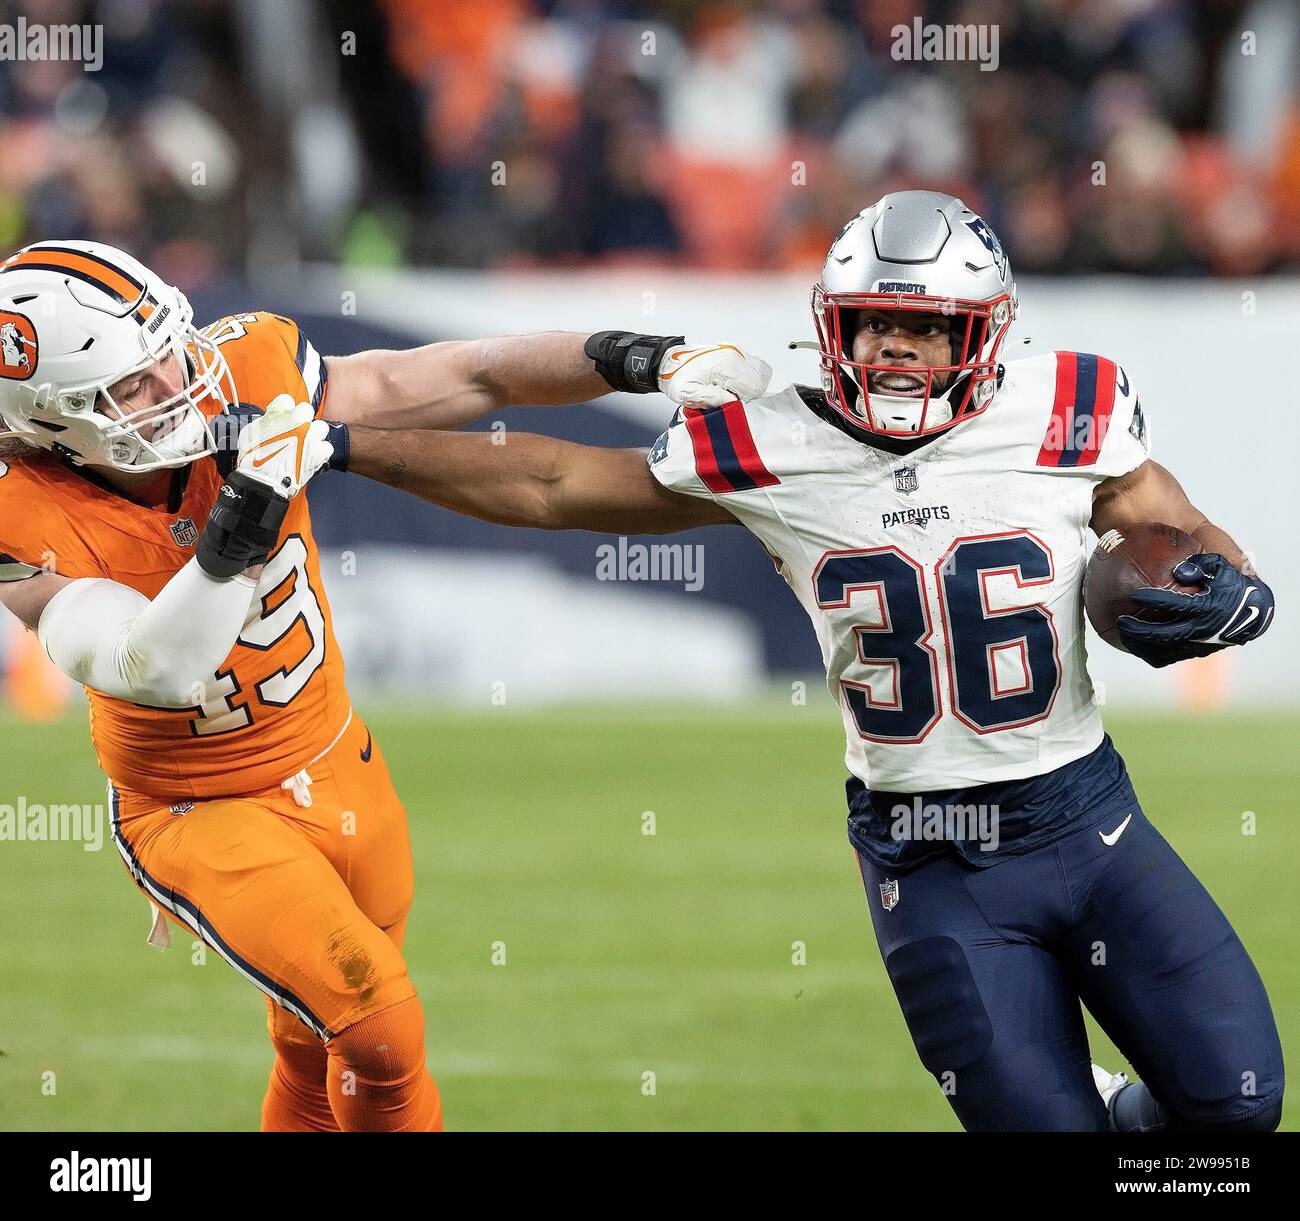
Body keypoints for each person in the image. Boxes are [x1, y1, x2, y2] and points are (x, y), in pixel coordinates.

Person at [330, 192, 1283, 1132]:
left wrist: (1232, 585)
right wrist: (348, 447)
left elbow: (1180, 527)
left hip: (1088, 818)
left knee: (1238, 1106)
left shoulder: (1066, 408)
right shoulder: (775, 435)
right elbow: (551, 482)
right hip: (932, 858)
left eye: (923, 330)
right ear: (834, 328)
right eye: (872, 326)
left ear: (983, 337)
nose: (893, 351)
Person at [0, 238, 770, 1131]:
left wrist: (636, 355)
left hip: (338, 758)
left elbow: (471, 377)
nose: (176, 382)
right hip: (195, 805)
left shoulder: (247, 361)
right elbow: (155, 667)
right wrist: (247, 510)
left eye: (169, 347)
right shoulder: (25, 514)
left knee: (310, 1050)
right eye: (134, 384)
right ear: (47, 418)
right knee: (381, 1030)